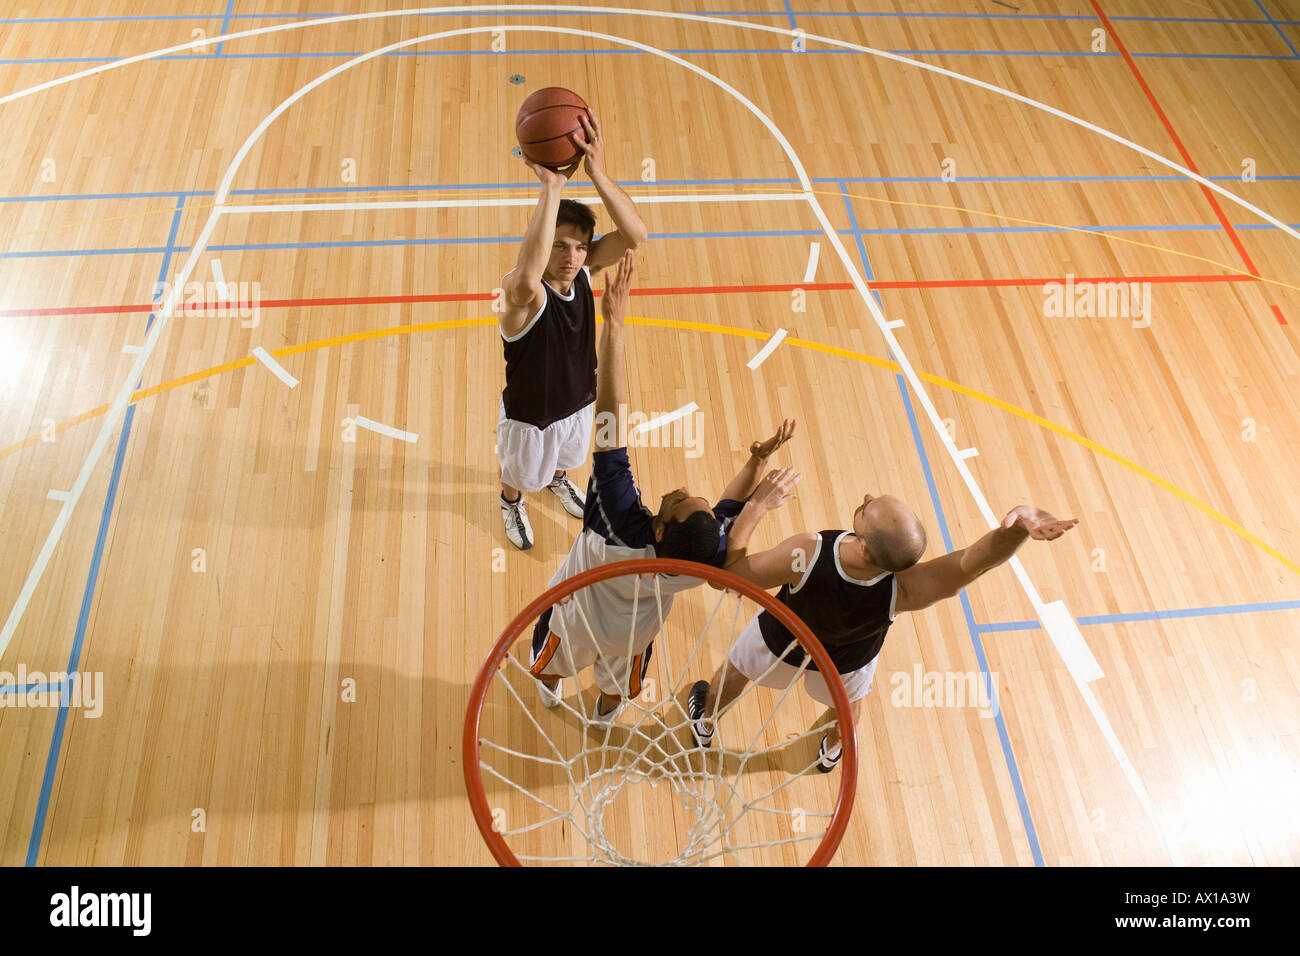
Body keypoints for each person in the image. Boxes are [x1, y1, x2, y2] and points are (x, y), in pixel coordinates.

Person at [528, 250, 801, 722]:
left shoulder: (616, 522)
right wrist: (756, 464)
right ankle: (604, 713)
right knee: (617, 686)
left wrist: (613, 326)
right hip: (633, 635)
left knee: (551, 665)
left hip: (578, 619)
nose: (677, 491)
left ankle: (552, 689)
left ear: (658, 529)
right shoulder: (701, 562)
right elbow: (731, 512)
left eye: (675, 501)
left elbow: (610, 419)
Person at [689, 491, 1078, 772]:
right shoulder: (906, 588)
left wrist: (755, 508)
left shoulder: (807, 553)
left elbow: (729, 580)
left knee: (733, 674)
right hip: (846, 665)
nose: (866, 496)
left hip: (779, 644)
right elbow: (972, 564)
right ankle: (832, 749)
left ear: (864, 549)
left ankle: (704, 722)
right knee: (849, 709)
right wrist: (1017, 528)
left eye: (866, 508)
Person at [498, 108, 648, 550]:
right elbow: (527, 277)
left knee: (566, 462)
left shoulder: (583, 272)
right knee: (519, 475)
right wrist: (552, 186)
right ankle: (510, 501)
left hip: (579, 404)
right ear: (544, 244)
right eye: (559, 245)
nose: (571, 256)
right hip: (531, 418)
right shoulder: (523, 296)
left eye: (581, 247)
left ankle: (558, 480)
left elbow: (635, 234)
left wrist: (597, 171)